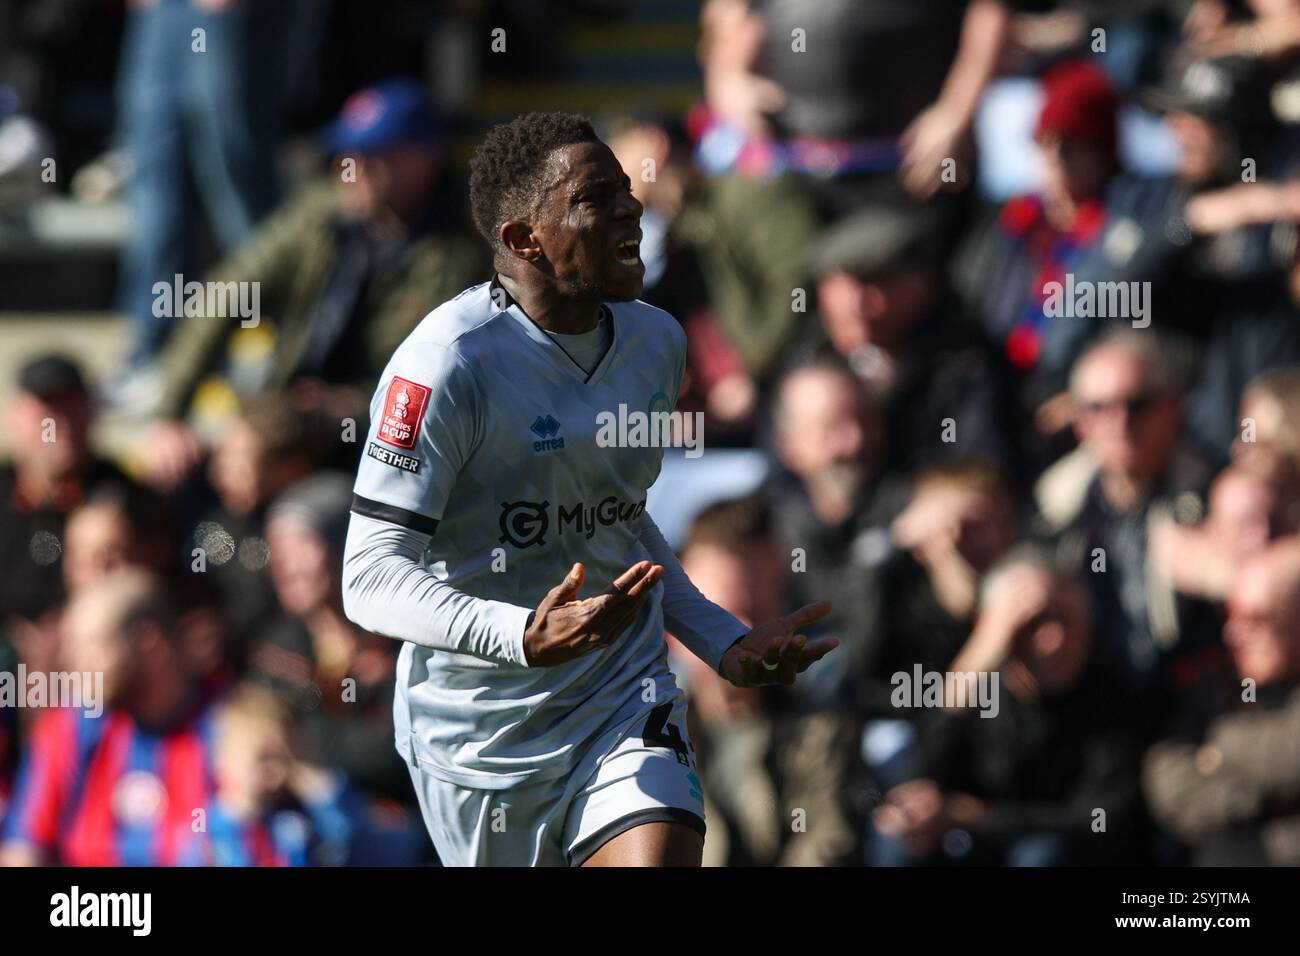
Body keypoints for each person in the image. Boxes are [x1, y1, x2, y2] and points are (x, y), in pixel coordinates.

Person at [341, 111, 836, 867]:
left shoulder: (655, 343)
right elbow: (368, 577)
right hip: (479, 737)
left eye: (625, 189)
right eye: (595, 197)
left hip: (620, 695)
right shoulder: (445, 367)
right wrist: (518, 636)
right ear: (522, 239)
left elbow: (617, 520)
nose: (631, 206)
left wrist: (720, 641)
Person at [145, 79, 485, 488]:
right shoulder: (320, 216)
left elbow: (438, 379)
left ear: (422, 160)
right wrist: (169, 414)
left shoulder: (462, 253)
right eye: (348, 153)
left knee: (282, 498)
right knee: (192, 476)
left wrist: (345, 406)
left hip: (391, 443)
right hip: (290, 411)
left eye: (373, 155)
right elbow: (229, 292)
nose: (351, 167)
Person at [872, 548, 1152, 866]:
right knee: (899, 837)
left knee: (1040, 856)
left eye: (1065, 619)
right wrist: (977, 659)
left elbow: (1102, 821)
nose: (1053, 639)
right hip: (973, 847)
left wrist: (980, 818)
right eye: (1031, 623)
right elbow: (920, 775)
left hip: (1056, 851)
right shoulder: (981, 686)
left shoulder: (1111, 694)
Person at [0, 571, 210, 866]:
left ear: (149, 643)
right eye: (73, 648)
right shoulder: (71, 725)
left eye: (94, 646)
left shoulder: (225, 726)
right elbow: (22, 849)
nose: (76, 665)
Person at [1144, 540, 1300, 865]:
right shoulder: (1220, 684)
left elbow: (1292, 755)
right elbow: (1167, 776)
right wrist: (1258, 801)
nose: (1234, 632)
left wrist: (1215, 751)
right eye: (1231, 615)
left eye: (1257, 618)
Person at [0, 354, 128, 624]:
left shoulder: (126, 500)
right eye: (50, 408)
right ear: (16, 415)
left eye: (74, 406)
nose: (63, 422)